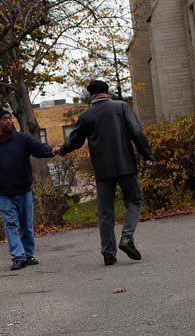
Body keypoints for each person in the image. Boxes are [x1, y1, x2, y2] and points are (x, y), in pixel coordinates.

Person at [52, 80, 155, 266]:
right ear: (107, 92)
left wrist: (61, 149)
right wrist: (148, 156)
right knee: (133, 200)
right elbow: (136, 133)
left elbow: (75, 141)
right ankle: (127, 238)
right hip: (126, 165)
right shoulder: (122, 107)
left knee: (105, 211)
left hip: (102, 169)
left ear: (91, 95)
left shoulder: (87, 116)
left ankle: (108, 253)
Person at [0, 108, 56, 270]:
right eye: (5, 119)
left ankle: (28, 254)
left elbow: (38, 148)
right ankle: (18, 257)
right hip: (3, 192)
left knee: (27, 224)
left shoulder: (22, 139)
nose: (9, 121)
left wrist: (52, 150)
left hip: (23, 189)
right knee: (10, 224)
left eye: (10, 118)